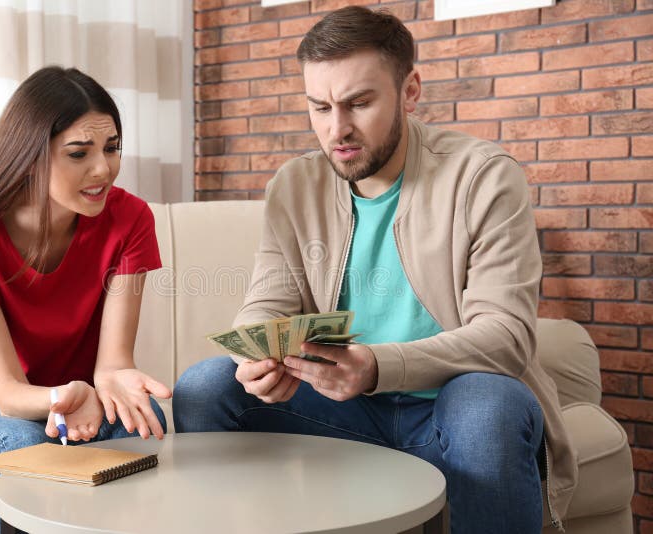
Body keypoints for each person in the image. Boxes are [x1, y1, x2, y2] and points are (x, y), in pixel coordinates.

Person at [173, 6, 576, 533]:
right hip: (339, 411)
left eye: (359, 103)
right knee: (206, 385)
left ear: (410, 91)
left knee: (485, 404)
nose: (336, 129)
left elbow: (507, 337)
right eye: (319, 107)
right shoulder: (294, 187)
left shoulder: (484, 177)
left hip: (446, 411)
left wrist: (378, 366)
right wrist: (257, 357)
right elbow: (267, 302)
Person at [0, 66, 171, 534]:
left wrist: (110, 388)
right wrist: (65, 397)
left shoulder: (130, 218)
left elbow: (113, 365)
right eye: (79, 153)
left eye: (112, 148)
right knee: (25, 447)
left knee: (143, 422)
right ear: (29, 155)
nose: (104, 169)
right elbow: (10, 396)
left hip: (79, 400)